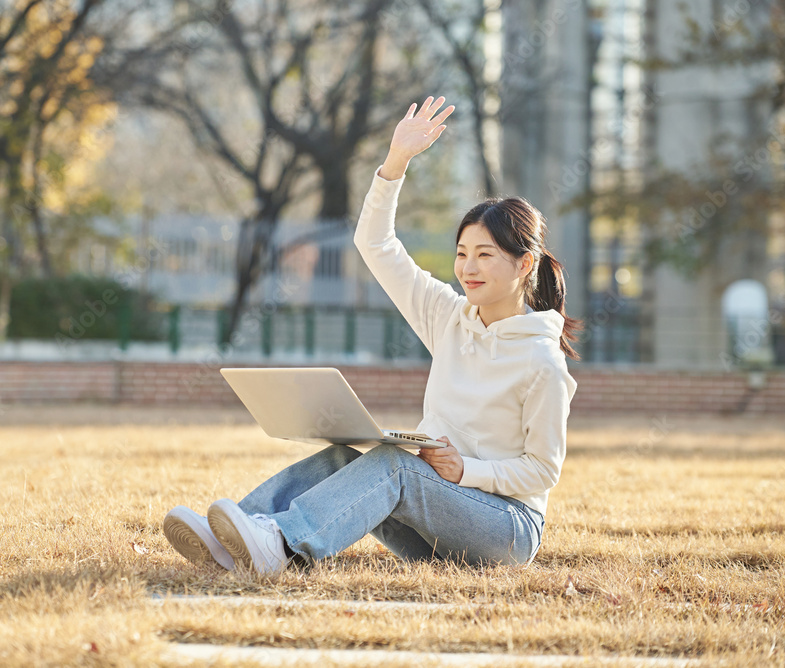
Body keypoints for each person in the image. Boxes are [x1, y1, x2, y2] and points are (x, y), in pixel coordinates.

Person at [163, 95, 582, 575]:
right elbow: (376, 245)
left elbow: (543, 470)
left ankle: (278, 545)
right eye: (462, 252)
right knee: (342, 458)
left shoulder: (543, 362)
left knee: (394, 466)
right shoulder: (450, 317)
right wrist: (396, 161)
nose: (468, 267)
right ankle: (235, 538)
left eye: (485, 255)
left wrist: (467, 470)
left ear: (524, 263)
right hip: (437, 520)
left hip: (507, 529)